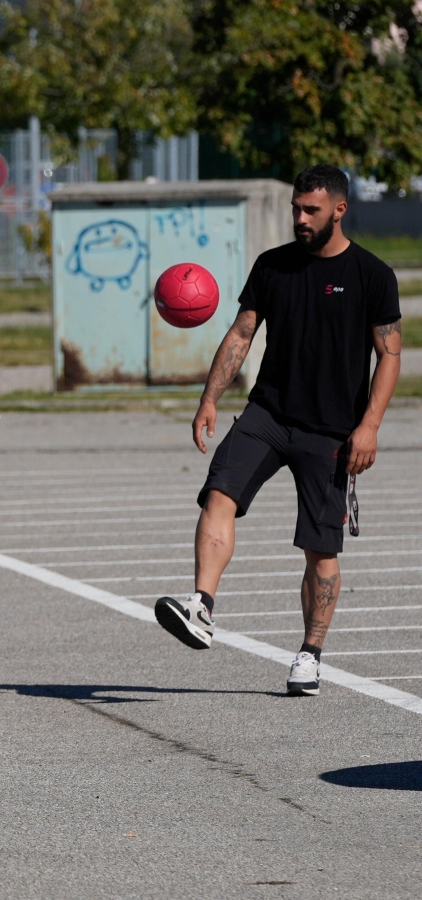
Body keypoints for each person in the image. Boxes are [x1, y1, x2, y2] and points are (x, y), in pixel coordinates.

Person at [155, 164, 402, 696]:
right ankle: (201, 605)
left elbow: (389, 356)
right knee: (219, 491)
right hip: (268, 414)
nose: (300, 218)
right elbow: (242, 333)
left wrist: (370, 427)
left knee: (321, 550)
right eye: (296, 208)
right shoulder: (274, 266)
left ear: (339, 209)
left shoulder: (372, 274)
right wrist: (209, 399)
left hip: (333, 430)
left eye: (310, 210)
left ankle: (311, 653)